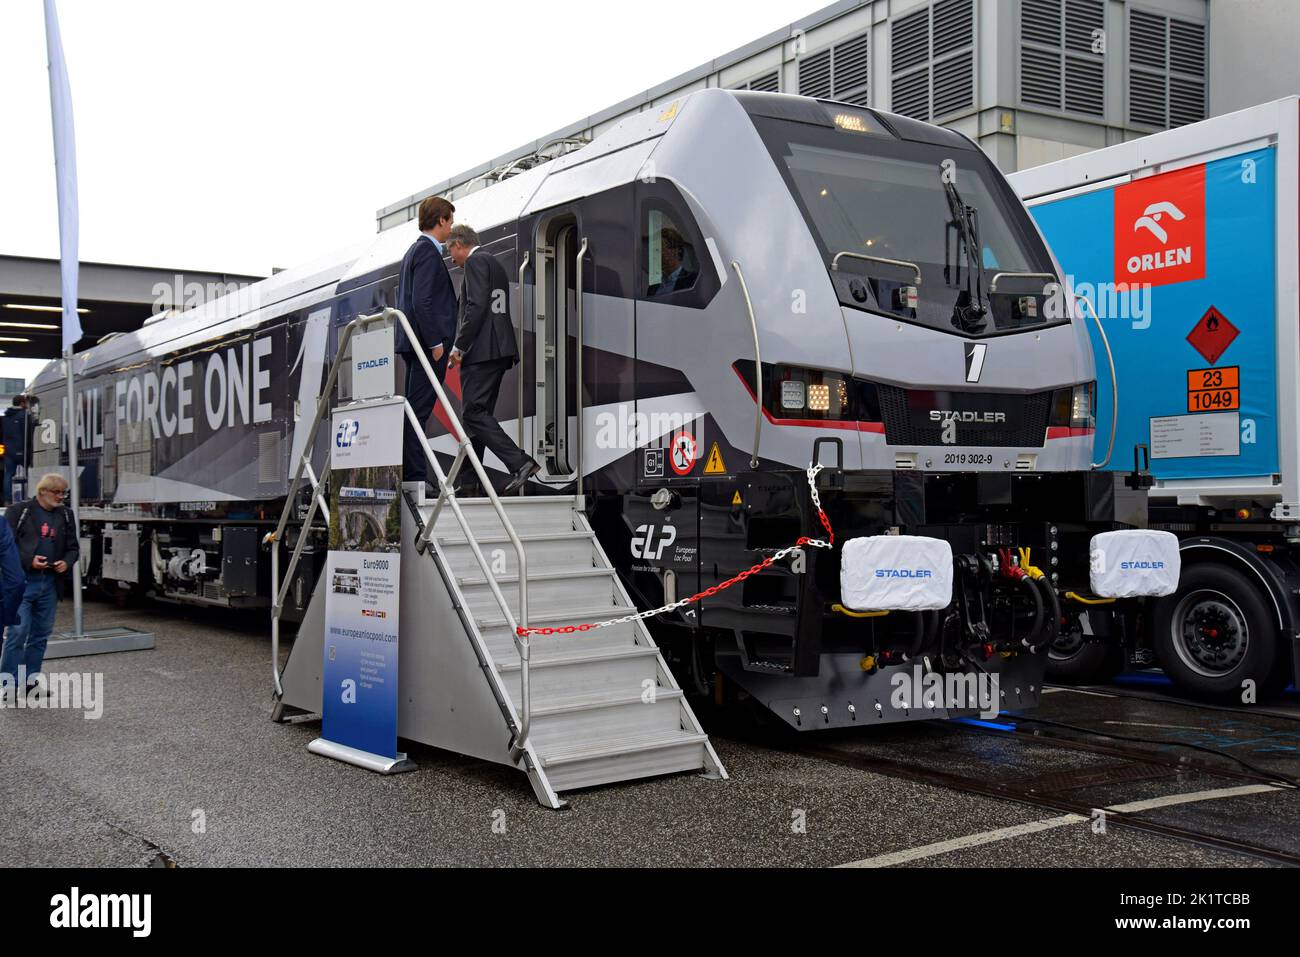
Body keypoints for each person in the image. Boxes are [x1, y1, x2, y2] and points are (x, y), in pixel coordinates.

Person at [447, 225, 540, 496]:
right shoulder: (495, 264)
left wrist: (459, 346)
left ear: (459, 244)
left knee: (472, 413)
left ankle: (520, 462)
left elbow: (475, 307)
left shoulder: (475, 262)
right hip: (498, 349)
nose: (452, 259)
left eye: (451, 251)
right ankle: (469, 481)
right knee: (477, 416)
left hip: (483, 351)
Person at [396, 195, 458, 486]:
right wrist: (435, 343)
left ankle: (415, 473)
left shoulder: (412, 251)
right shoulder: (427, 253)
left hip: (414, 344)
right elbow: (423, 301)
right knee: (418, 413)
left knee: (414, 411)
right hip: (425, 346)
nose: (451, 229)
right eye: (450, 222)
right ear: (441, 220)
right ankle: (417, 476)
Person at [1, 473, 79, 691]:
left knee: (40, 635)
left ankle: (29, 682)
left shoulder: (65, 514)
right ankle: (8, 683)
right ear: (43, 490)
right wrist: (29, 561)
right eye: (57, 492)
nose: (61, 497)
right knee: (18, 631)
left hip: (50, 584)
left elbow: (73, 547)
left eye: (64, 493)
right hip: (22, 582)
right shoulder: (19, 511)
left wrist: (67, 561)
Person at [1, 395, 27, 506]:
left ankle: (7, 499)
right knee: (28, 472)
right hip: (21, 449)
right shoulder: (23, 415)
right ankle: (27, 495)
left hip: (8, 450)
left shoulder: (6, 416)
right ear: (22, 403)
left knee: (8, 474)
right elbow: (26, 433)